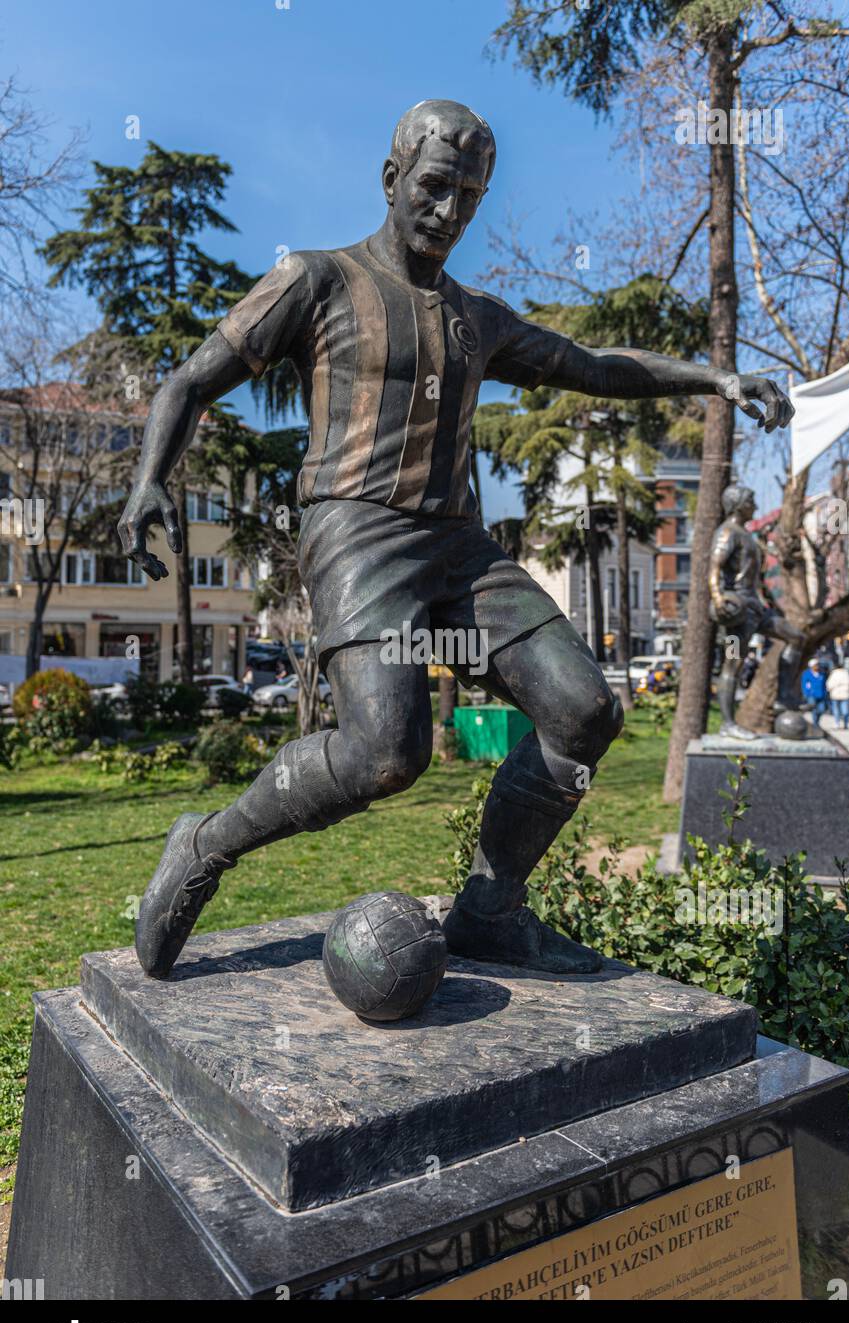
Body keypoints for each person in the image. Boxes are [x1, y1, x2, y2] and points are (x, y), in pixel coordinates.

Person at [117, 99, 794, 980]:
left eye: (469, 198)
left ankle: (489, 910)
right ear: (392, 179)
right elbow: (188, 382)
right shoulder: (315, 281)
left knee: (584, 709)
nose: (449, 212)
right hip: (356, 532)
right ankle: (203, 844)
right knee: (384, 754)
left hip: (459, 549)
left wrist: (716, 376)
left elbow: (593, 367)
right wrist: (147, 483)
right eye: (434, 187)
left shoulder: (477, 318)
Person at [708, 486, 803, 739]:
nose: (755, 505)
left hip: (755, 607)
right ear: (738, 504)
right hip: (736, 611)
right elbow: (714, 568)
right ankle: (728, 724)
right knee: (733, 665)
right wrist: (718, 599)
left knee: (795, 637)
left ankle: (784, 698)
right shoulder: (727, 533)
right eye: (751, 500)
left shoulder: (746, 534)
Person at [801, 657, 829, 728]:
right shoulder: (807, 674)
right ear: (811, 666)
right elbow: (805, 685)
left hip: (821, 694)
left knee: (821, 709)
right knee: (813, 707)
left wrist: (826, 693)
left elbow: (824, 684)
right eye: (816, 665)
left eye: (818, 665)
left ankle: (816, 720)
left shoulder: (822, 674)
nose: (817, 667)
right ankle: (815, 723)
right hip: (811, 695)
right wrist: (806, 693)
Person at [826, 663, 849, 730]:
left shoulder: (834, 674)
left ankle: (837, 723)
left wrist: (829, 690)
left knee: (836, 709)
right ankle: (845, 724)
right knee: (845, 710)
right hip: (844, 694)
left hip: (835, 694)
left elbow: (829, 684)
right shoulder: (846, 674)